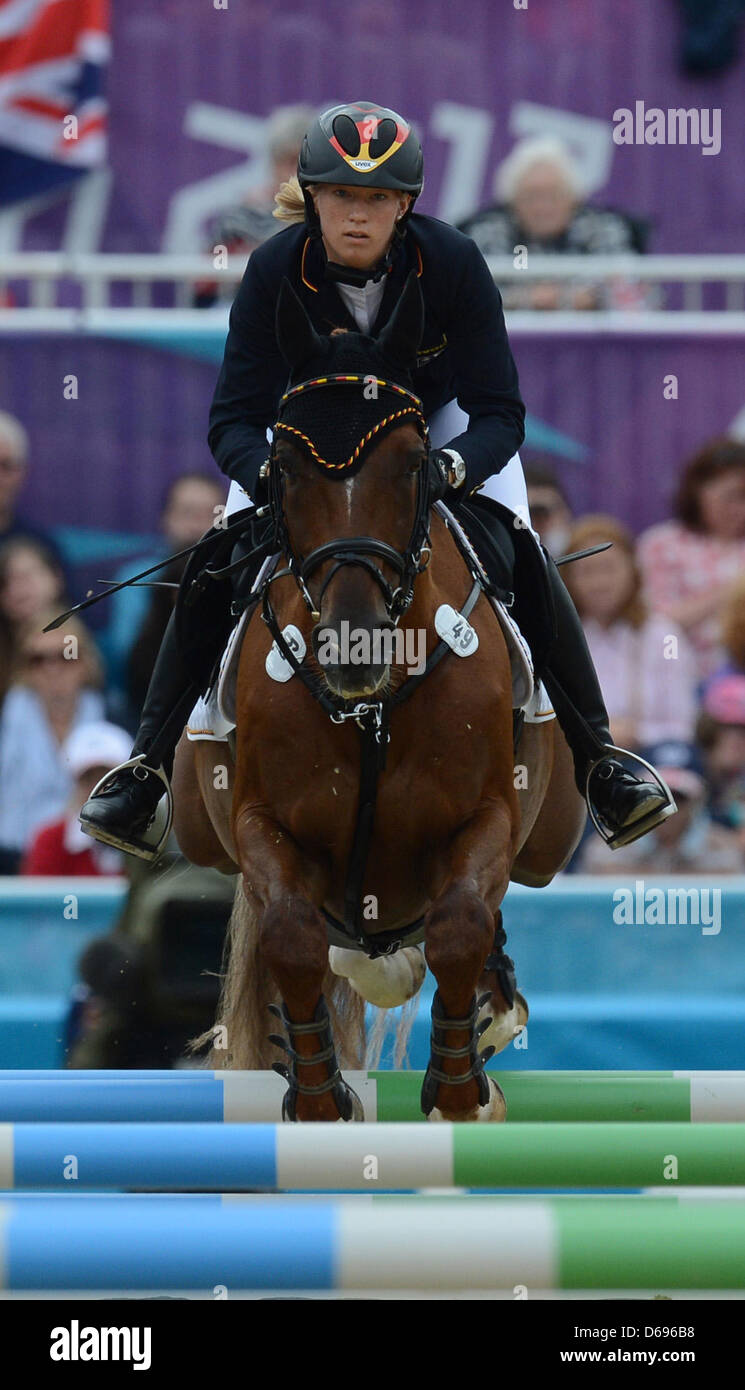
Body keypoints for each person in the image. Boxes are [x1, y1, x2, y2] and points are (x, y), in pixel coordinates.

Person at [80, 101, 673, 861]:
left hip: (437, 429)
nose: (358, 216)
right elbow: (232, 416)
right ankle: (147, 769)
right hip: (300, 441)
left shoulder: (453, 263)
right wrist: (265, 476)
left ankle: (601, 764)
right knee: (218, 554)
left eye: (377, 200)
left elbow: (498, 409)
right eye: (341, 197)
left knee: (519, 547)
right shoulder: (271, 269)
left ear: (404, 205)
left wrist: (456, 468)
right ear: (313, 198)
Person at [457, 136, 648, 312]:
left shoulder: (601, 229)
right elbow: (471, 297)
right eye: (531, 196)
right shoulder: (489, 231)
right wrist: (545, 298)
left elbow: (633, 297)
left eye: (553, 195)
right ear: (512, 201)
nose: (542, 207)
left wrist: (559, 298)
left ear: (574, 198)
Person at [562, 515, 698, 748]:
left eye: (609, 568)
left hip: (652, 755)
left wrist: (637, 734)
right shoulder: (562, 640)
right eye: (586, 571)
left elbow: (681, 722)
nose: (599, 583)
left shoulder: (665, 636)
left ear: (633, 571)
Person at [0, 612, 106, 873]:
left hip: (93, 859)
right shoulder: (6, 720)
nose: (52, 668)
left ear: (85, 663)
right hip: (11, 857)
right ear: (25, 669)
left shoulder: (111, 718)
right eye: (38, 660)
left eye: (65, 656)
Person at [637, 438, 745, 682]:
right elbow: (657, 621)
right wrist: (733, 590)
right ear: (699, 491)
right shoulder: (663, 544)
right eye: (731, 496)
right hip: (682, 678)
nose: (739, 508)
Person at [579, 739, 742, 873]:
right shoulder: (602, 852)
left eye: (678, 797)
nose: (667, 811)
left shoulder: (725, 854)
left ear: (698, 800)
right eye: (656, 796)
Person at [21, 722, 131, 876]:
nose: (98, 789)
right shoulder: (50, 840)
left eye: (109, 779)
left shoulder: (149, 837)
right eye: (89, 779)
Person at [0, 536, 69, 705]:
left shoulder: (71, 641)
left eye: (27, 576)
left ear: (55, 578)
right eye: (7, 581)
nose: (17, 589)